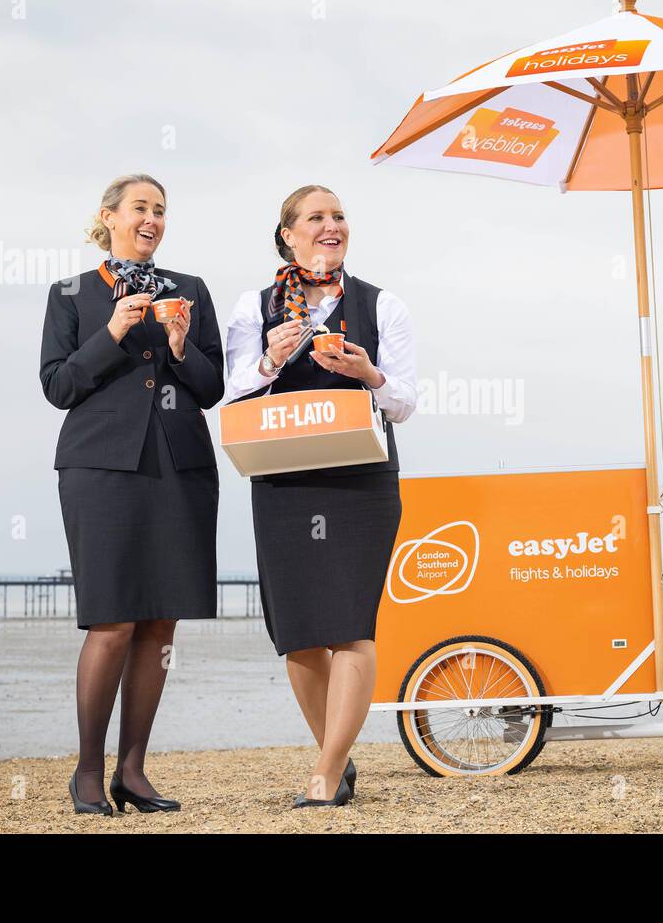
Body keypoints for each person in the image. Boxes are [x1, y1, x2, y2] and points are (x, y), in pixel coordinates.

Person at [225, 185, 417, 808]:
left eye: (338, 216)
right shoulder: (253, 310)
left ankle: (326, 774)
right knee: (301, 634)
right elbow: (231, 401)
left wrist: (370, 375)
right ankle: (339, 755)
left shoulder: (382, 306)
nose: (331, 225)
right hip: (285, 480)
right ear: (288, 234)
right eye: (316, 218)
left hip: (361, 482)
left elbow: (406, 405)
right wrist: (267, 364)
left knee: (351, 626)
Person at [39, 173, 224, 816]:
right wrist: (114, 330)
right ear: (110, 216)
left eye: (161, 211)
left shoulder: (190, 291)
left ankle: (133, 772)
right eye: (141, 208)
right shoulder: (71, 293)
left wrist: (178, 346)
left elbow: (211, 387)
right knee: (113, 621)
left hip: (179, 468)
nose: (152, 219)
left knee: (160, 622)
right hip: (100, 470)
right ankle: (88, 773)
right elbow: (59, 386)